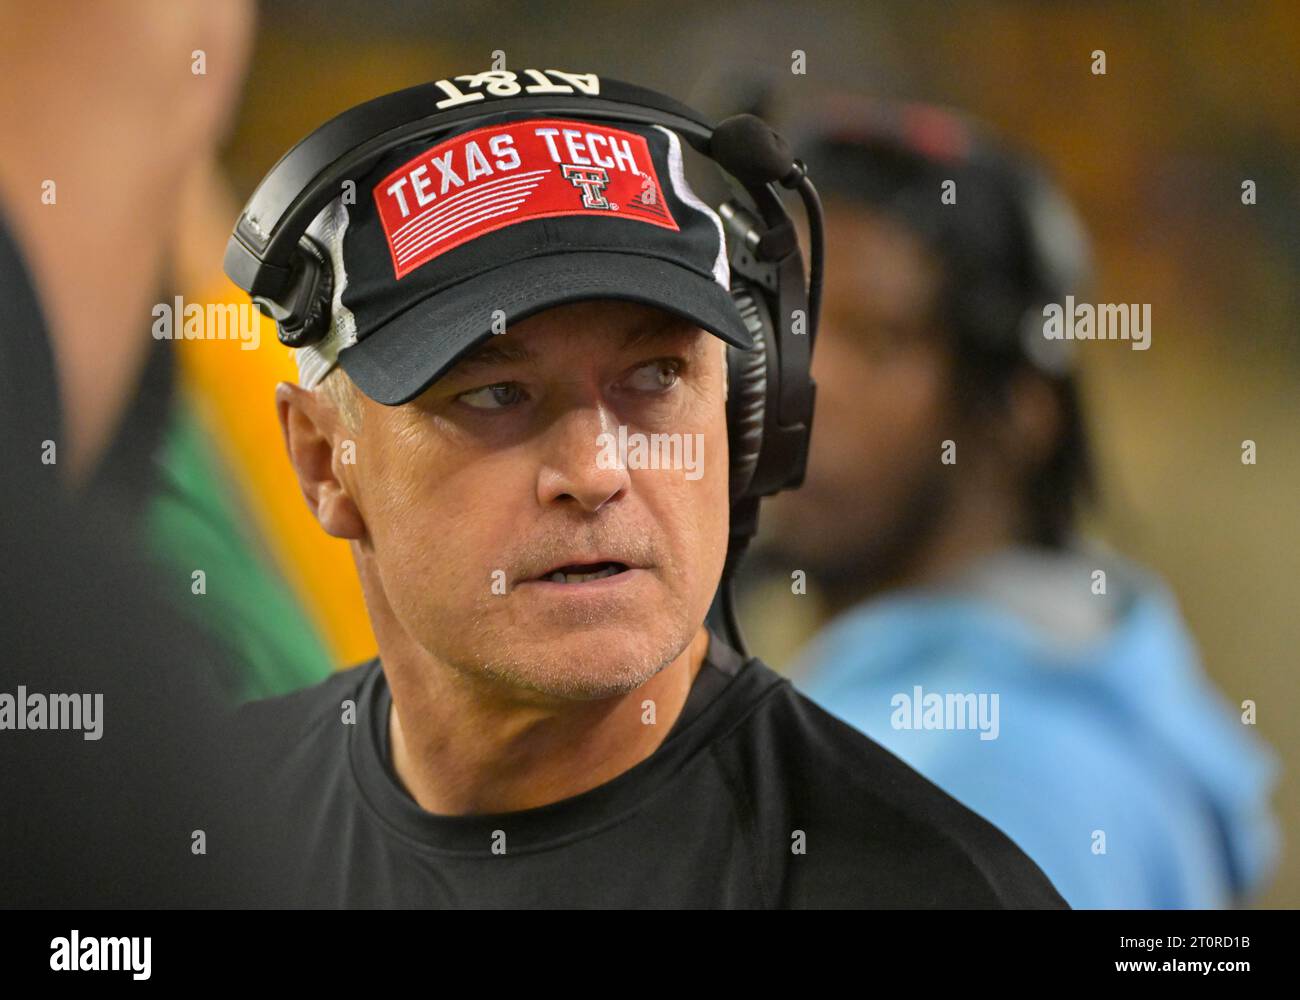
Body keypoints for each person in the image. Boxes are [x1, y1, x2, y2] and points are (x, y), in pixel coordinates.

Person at [232, 79, 1066, 908]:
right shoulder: (179, 833)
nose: (597, 472)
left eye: (655, 376)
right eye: (493, 395)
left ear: (745, 411)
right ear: (321, 459)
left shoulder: (935, 892)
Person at [753, 98, 1281, 908]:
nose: (804, 380)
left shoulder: (982, 775)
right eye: (787, 318)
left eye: (876, 338)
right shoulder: (1060, 700)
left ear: (1017, 412)